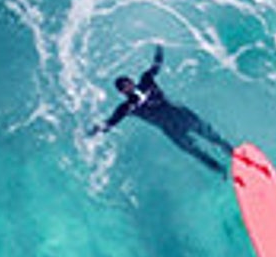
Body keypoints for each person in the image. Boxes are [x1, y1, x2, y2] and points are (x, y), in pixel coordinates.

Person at [89, 47, 233, 174]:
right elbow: (111, 122)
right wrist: (95, 131)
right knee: (196, 152)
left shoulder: (146, 80)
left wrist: (159, 46)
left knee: (210, 135)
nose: (128, 87)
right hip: (171, 129)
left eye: (128, 83)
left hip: (181, 114)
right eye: (124, 87)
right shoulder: (126, 107)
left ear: (132, 81)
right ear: (121, 92)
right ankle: (221, 170)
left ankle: (232, 152)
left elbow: (156, 65)